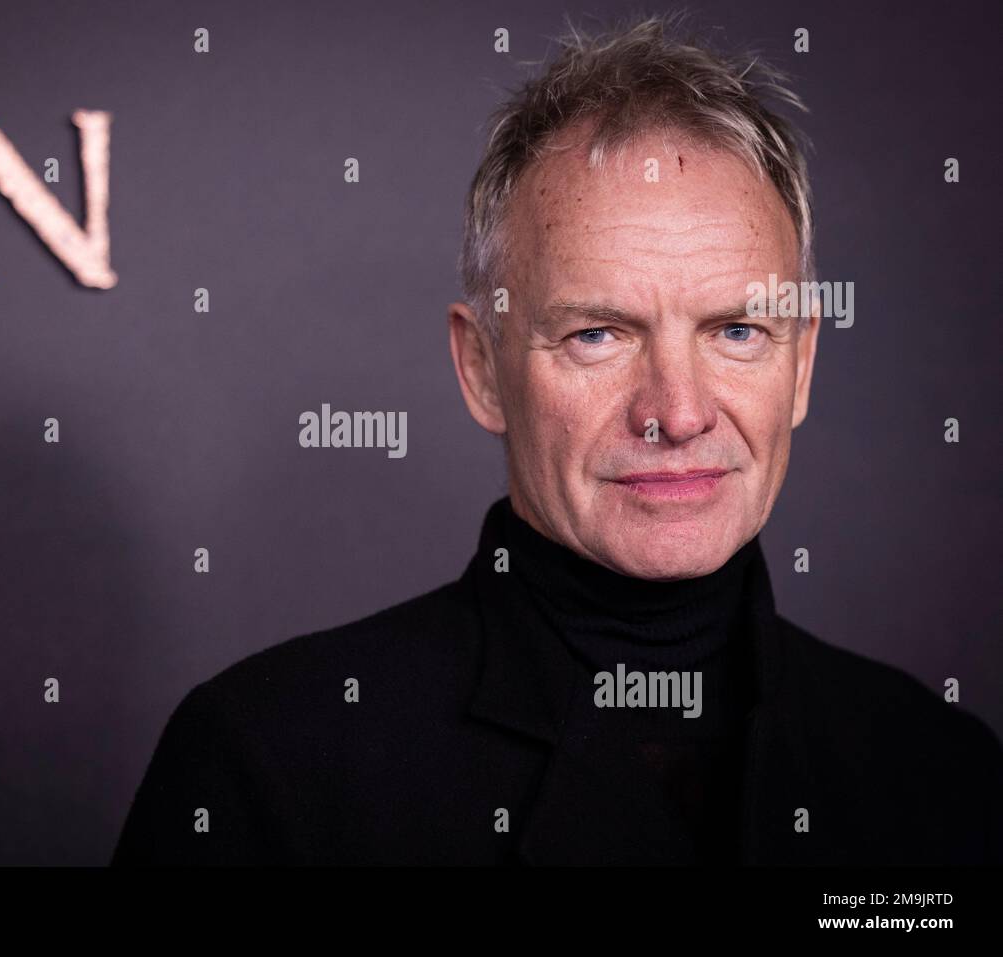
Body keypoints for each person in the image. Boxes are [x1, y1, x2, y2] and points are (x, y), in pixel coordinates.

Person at [112, 15, 1003, 866]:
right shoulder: (269, 767)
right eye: (597, 335)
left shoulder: (944, 774)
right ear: (483, 368)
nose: (677, 411)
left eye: (737, 330)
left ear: (802, 365)